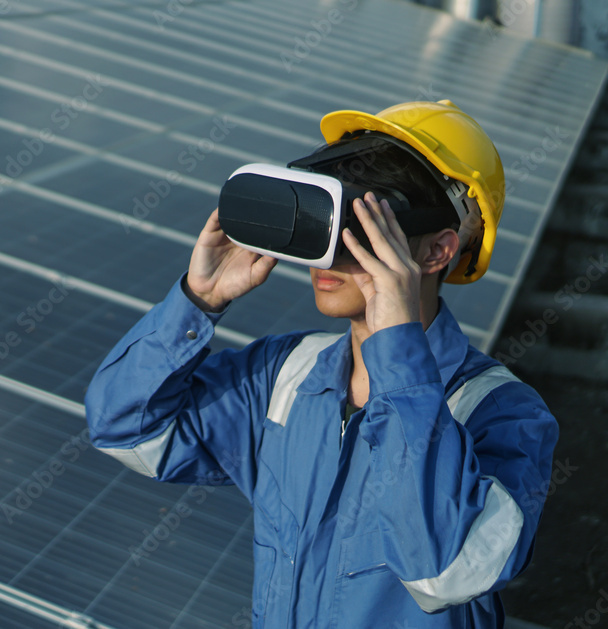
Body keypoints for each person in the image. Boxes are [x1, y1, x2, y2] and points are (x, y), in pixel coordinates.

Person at [84, 100, 558, 628]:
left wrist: (397, 348)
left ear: (436, 251)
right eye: (325, 222)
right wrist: (197, 303)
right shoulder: (285, 376)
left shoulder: (504, 415)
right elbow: (125, 427)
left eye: (362, 227)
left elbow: (446, 573)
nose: (328, 253)